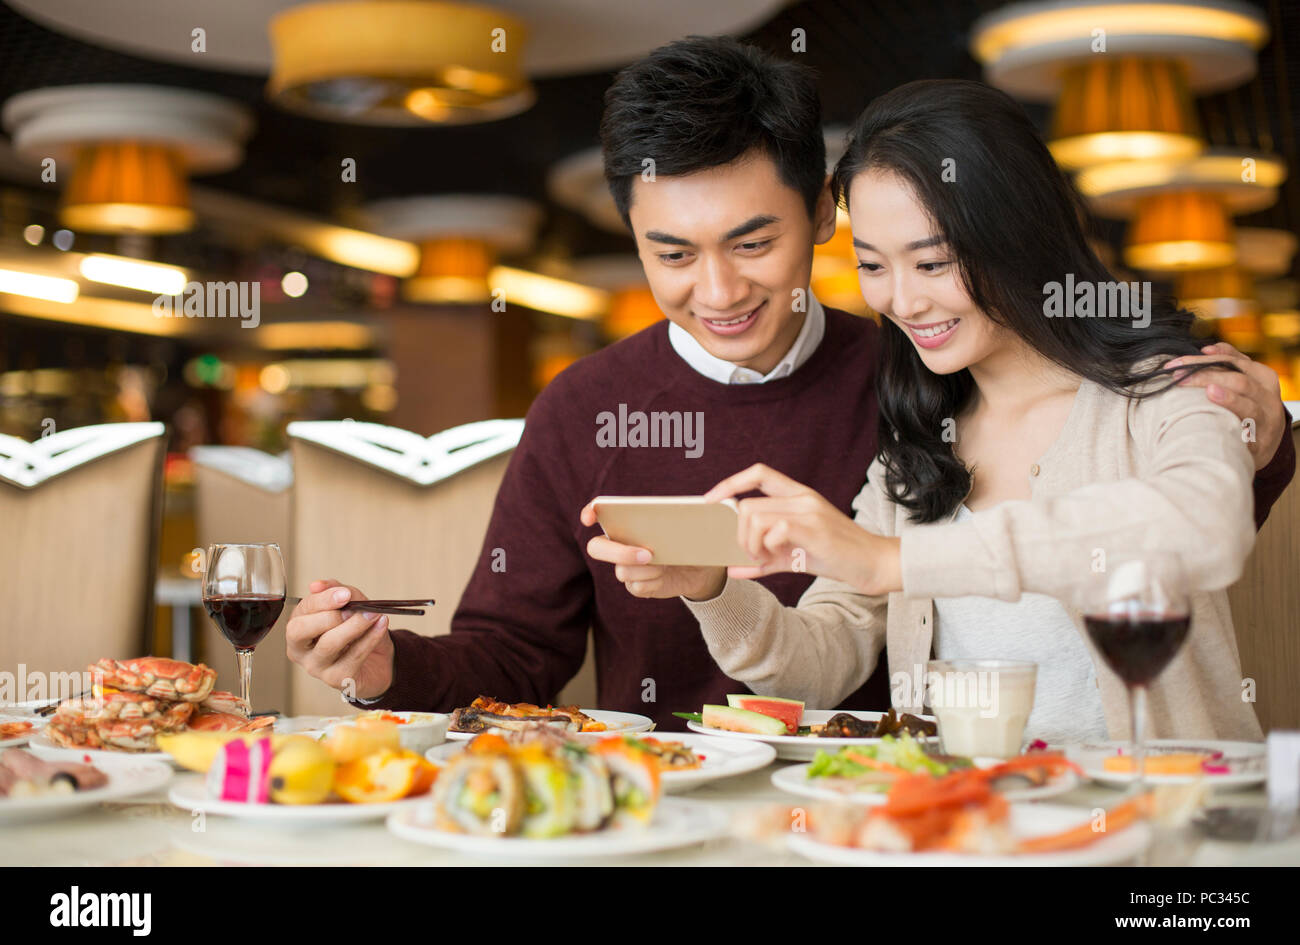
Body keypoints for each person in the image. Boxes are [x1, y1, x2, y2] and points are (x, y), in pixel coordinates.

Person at [286, 40, 1293, 734]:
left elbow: (1184, 523)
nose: (714, 289)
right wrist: (714, 588)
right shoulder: (912, 420)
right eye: (671, 251)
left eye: (752, 241)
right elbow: (819, 650)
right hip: (790, 814)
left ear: (816, 215)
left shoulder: (933, 381)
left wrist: (1262, 433)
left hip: (1060, 817)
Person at [591, 78, 1293, 743]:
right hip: (964, 828)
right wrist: (713, 591)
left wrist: (895, 560)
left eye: (932, 263)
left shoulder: (1170, 391)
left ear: (1017, 235)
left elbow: (1204, 530)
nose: (902, 301)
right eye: (873, 265)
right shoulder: (919, 442)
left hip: (1158, 838)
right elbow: (821, 661)